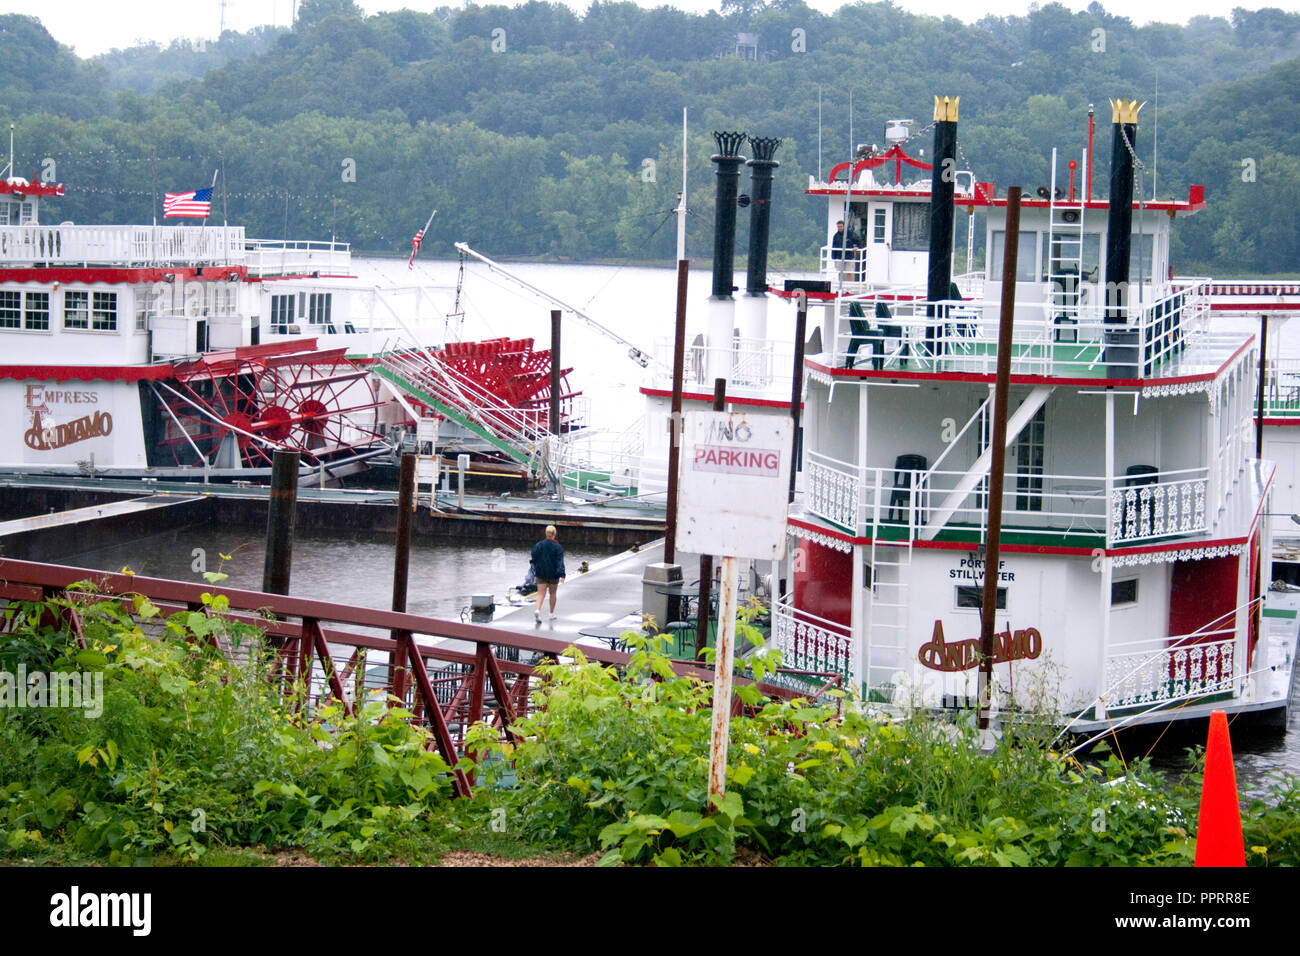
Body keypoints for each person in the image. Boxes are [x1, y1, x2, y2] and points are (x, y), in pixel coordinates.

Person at [531, 524, 566, 622]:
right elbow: (560, 561)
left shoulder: (538, 545)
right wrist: (562, 574)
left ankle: (537, 610)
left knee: (541, 594)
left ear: (546, 533)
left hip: (540, 573)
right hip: (553, 574)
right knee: (553, 593)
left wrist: (536, 566)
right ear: (554, 534)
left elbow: (533, 556)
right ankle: (551, 614)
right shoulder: (557, 547)